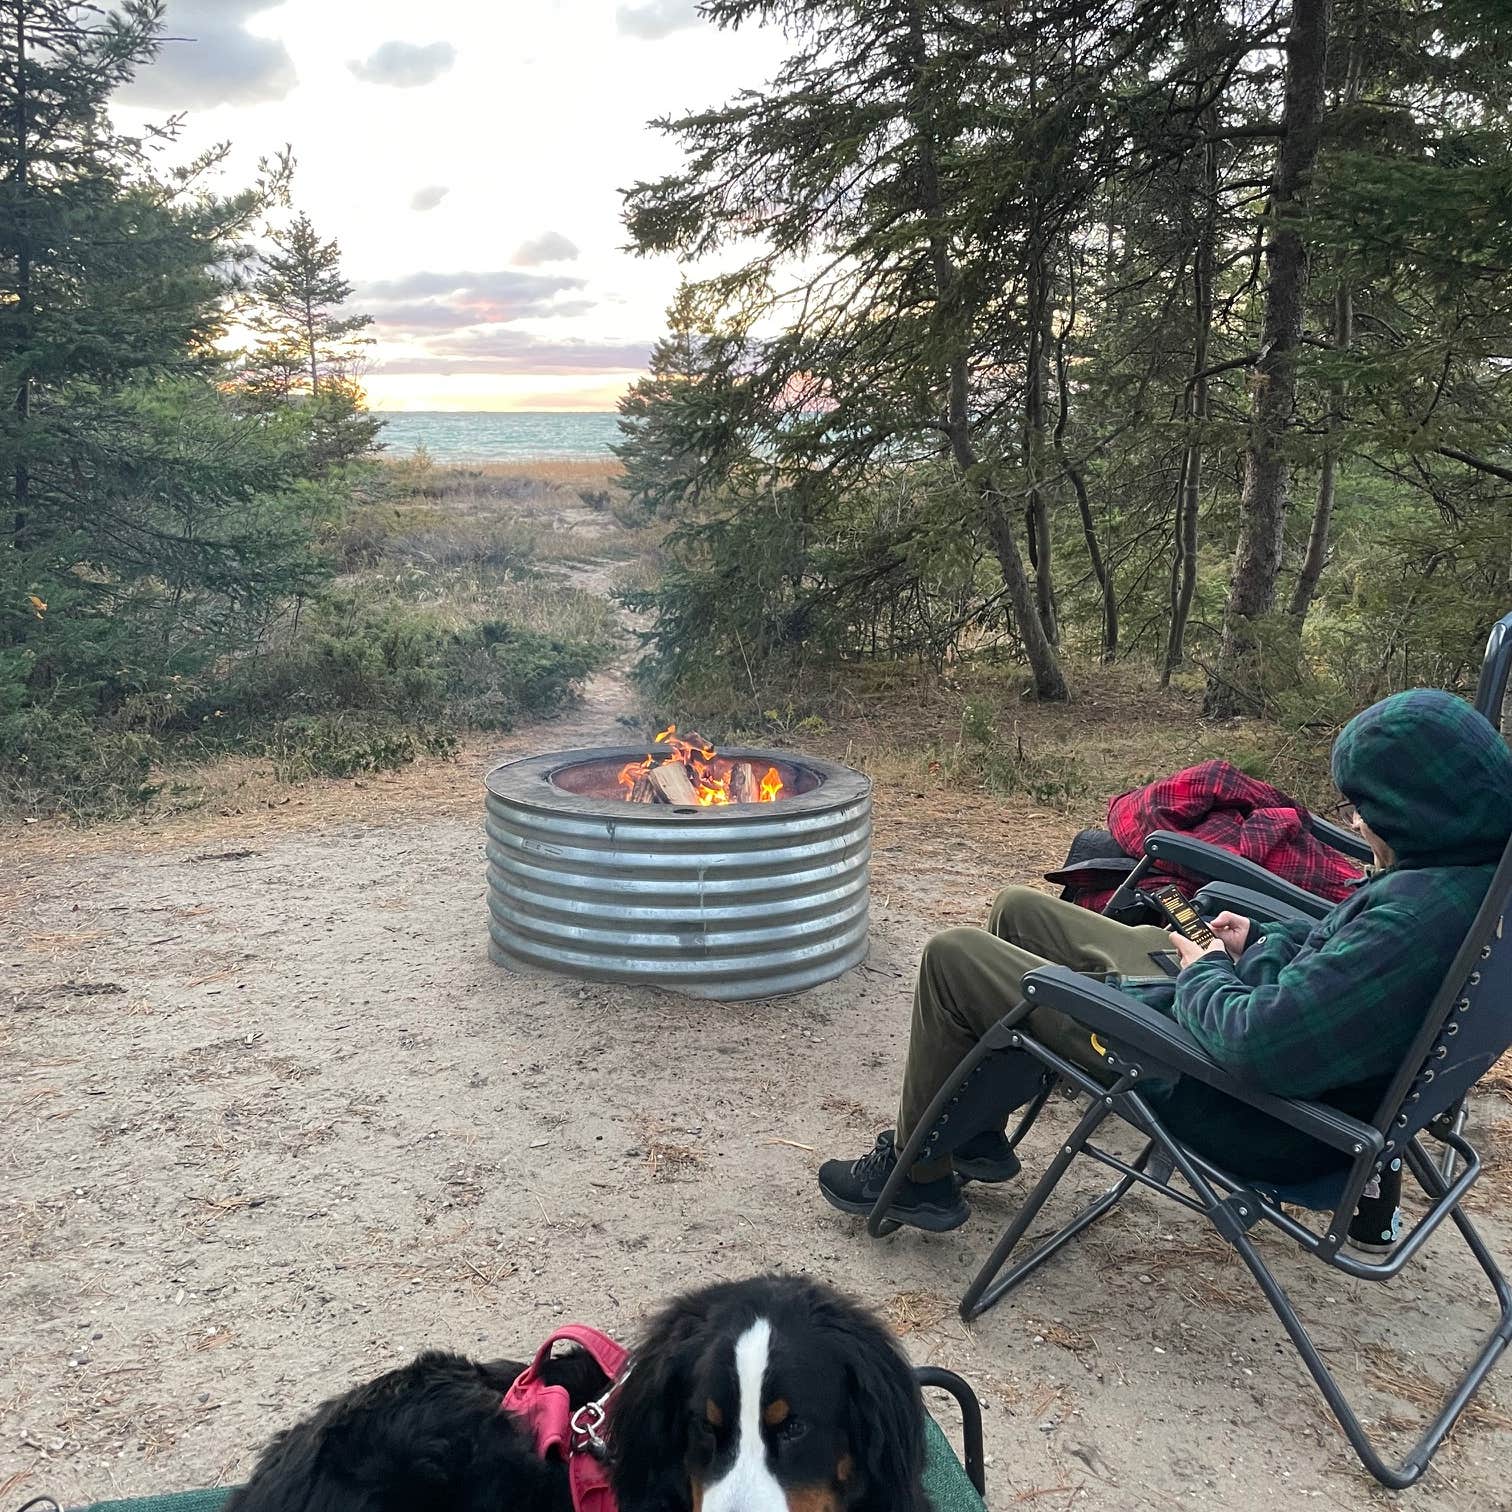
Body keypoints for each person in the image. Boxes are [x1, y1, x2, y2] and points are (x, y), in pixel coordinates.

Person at [819, 688, 1512, 1240]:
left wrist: (1205, 967)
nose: (1354, 824)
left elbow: (1259, 1045)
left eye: (1363, 808)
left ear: (1414, 808)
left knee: (953, 958)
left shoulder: (1414, 918)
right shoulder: (1464, 876)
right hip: (1242, 1029)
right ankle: (975, 1136)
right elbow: (1333, 970)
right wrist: (1256, 942)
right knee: (1018, 910)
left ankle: (916, 1177)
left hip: (1234, 1097)